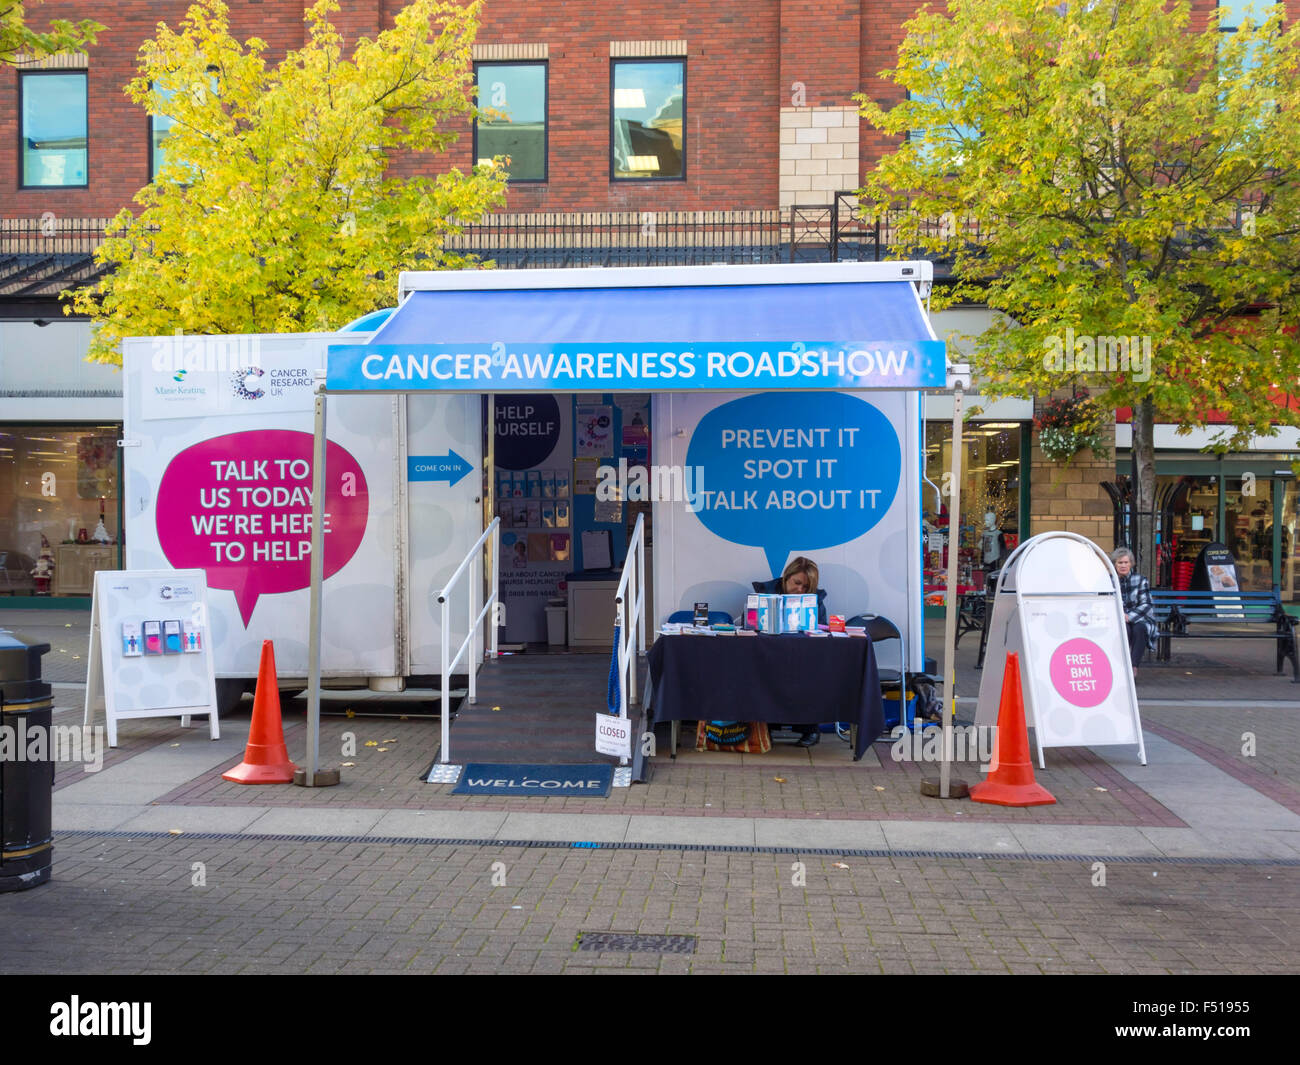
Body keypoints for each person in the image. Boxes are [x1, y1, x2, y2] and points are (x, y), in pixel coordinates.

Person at [1112, 547, 1156, 675]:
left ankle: (1133, 666)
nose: (1123, 565)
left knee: (1140, 629)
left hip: (1139, 618)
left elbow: (1146, 603)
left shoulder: (1141, 580)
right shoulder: (1109, 580)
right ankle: (1120, 665)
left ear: (1131, 563)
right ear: (1114, 564)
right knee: (1124, 629)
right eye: (1120, 563)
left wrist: (1129, 616)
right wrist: (1121, 616)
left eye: (1126, 562)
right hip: (1117, 618)